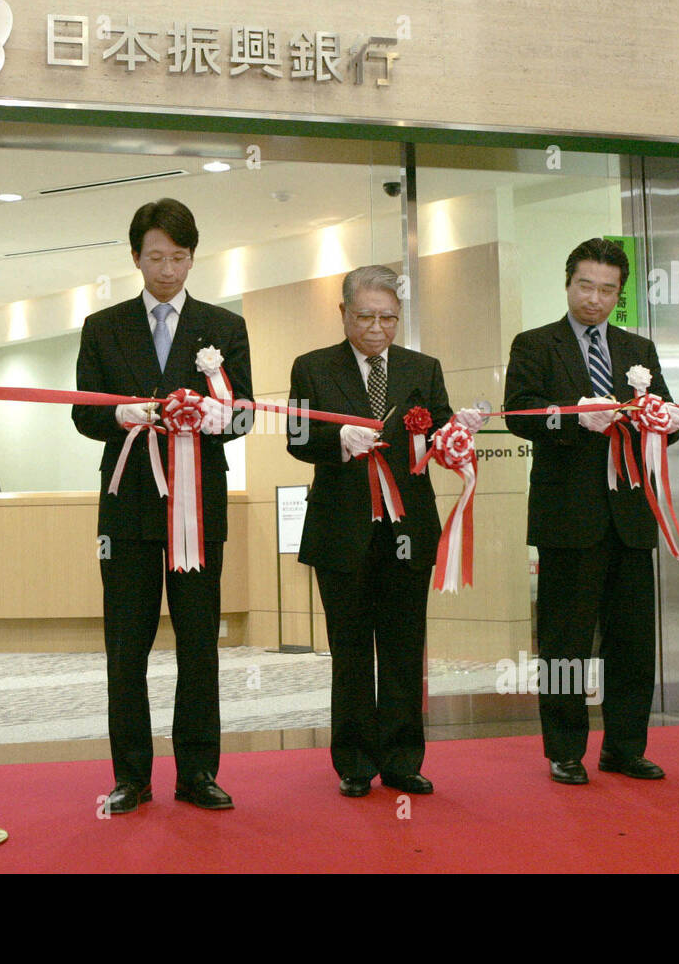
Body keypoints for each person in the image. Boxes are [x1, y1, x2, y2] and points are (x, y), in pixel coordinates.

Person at [72, 198, 252, 814]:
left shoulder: (223, 327)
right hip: (128, 509)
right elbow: (82, 413)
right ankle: (131, 776)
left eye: (179, 258)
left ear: (193, 256)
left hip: (198, 507)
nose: (168, 270)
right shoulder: (104, 326)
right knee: (127, 645)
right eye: (156, 257)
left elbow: (246, 413)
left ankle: (198, 771)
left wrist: (212, 416)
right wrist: (117, 414)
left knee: (199, 643)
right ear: (134, 257)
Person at [287, 264, 481, 798]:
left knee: (402, 647)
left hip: (408, 528)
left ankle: (402, 759)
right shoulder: (312, 367)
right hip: (340, 528)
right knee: (350, 652)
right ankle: (353, 761)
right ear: (343, 312)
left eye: (388, 318)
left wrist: (456, 439)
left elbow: (438, 435)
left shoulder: (424, 367)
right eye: (365, 316)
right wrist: (337, 442)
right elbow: (297, 438)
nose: (377, 329)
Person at [503, 237, 679, 785]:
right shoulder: (536, 343)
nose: (595, 299)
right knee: (565, 641)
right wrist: (571, 419)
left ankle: (625, 747)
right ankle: (564, 749)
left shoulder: (639, 349)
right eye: (586, 285)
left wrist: (666, 423)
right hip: (568, 516)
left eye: (608, 289)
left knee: (631, 641)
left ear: (619, 293)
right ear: (568, 283)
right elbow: (520, 413)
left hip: (631, 516)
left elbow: (667, 416)